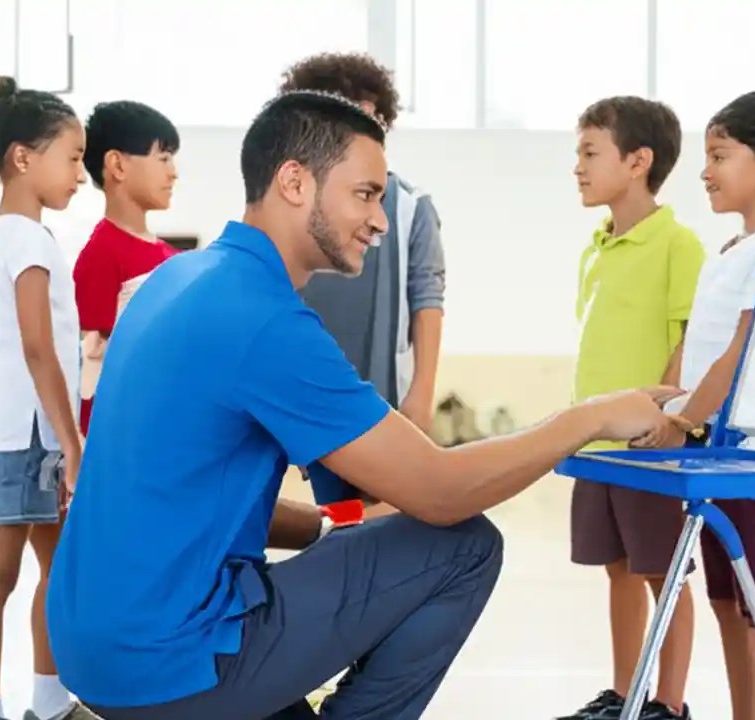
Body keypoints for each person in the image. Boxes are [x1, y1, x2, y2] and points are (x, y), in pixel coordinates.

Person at [44, 90, 685, 720]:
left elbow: (184, 494)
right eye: (366, 194)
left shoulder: (176, 279)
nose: (380, 220)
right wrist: (592, 417)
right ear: (295, 182)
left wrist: (329, 527)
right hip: (168, 664)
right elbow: (441, 492)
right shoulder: (263, 319)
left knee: (366, 540)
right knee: (465, 546)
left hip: (91, 649)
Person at [636, 89, 755, 720]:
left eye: (719, 155)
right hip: (716, 457)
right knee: (727, 604)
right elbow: (693, 346)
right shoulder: (735, 249)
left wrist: (683, 422)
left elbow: (741, 351)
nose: (705, 171)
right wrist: (658, 404)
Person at [0, 76, 96, 720]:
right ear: (22, 157)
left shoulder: (19, 235)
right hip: (17, 436)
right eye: (73, 158)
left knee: (59, 571)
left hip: (33, 435)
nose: (80, 175)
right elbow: (38, 348)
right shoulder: (24, 238)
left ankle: (51, 703)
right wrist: (72, 443)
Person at [560, 97, 704, 720]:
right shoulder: (596, 248)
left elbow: (688, 343)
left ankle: (668, 705)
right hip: (597, 447)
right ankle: (625, 695)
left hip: (647, 451)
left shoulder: (677, 244)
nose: (578, 167)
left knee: (662, 573)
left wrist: (661, 422)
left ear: (638, 161)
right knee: (616, 570)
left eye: (590, 153)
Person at [278, 53, 446, 508]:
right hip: (310, 380)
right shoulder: (297, 199)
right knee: (332, 506)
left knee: (377, 507)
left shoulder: (409, 206)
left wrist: (422, 394)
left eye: (372, 119)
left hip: (380, 387)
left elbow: (427, 296)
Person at [71, 100, 182, 436]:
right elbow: (91, 360)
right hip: (120, 430)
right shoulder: (101, 254)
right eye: (163, 158)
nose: (173, 172)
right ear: (117, 165)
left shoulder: (171, 256)